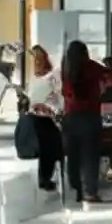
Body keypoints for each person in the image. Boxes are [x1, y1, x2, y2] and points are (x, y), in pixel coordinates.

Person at [62, 40, 112, 203]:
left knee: (73, 155)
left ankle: (75, 190)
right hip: (90, 116)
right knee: (90, 156)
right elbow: (110, 77)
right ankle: (90, 192)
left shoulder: (65, 68)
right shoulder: (93, 67)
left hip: (70, 117)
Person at [26, 45, 64, 192]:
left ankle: (46, 177)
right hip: (40, 116)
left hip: (49, 116)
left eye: (37, 60)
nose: (35, 63)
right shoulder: (36, 78)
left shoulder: (52, 77)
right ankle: (45, 178)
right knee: (47, 147)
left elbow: (57, 96)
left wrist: (52, 108)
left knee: (49, 147)